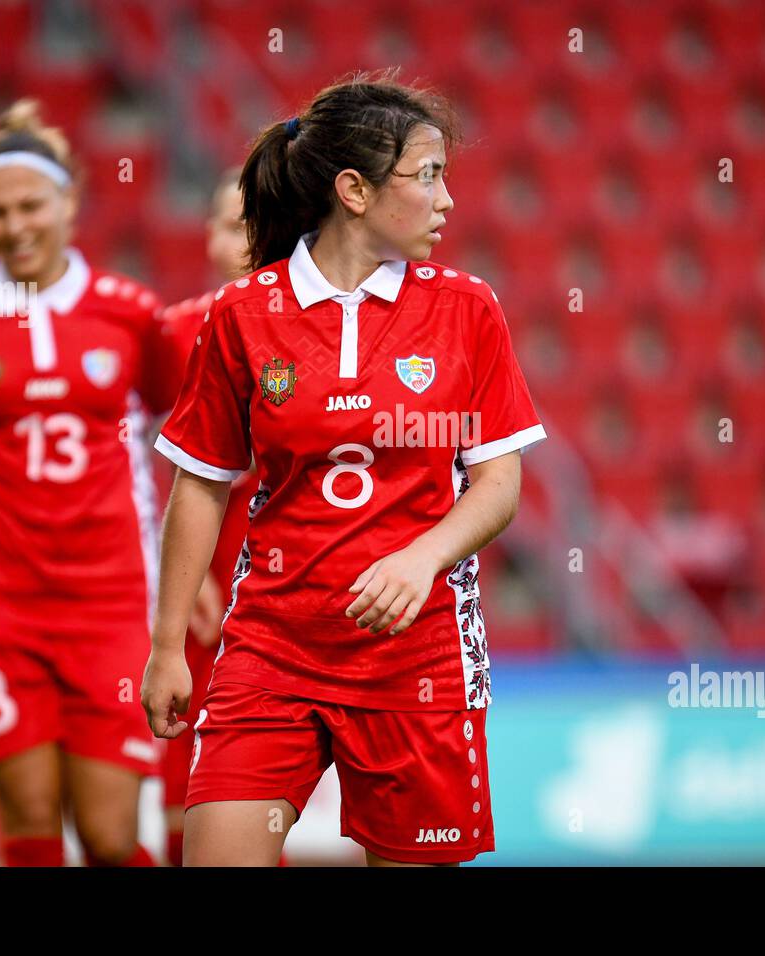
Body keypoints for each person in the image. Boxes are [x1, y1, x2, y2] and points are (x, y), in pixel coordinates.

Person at [141, 71, 546, 867]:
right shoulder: (241, 313)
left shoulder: (468, 308)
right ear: (354, 190)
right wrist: (164, 644)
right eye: (428, 176)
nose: (447, 200)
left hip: (418, 658)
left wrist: (423, 555)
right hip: (272, 647)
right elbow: (200, 485)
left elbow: (499, 485)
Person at [0, 99, 185, 867]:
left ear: (69, 203)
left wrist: (193, 574)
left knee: (111, 835)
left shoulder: (131, 316)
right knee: (27, 817)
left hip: (113, 598)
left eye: (31, 205)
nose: (15, 226)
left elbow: (191, 448)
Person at [155, 167, 257, 866]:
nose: (243, 240)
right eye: (228, 224)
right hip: (194, 565)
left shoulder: (333, 329)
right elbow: (134, 458)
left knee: (262, 779)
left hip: (291, 570)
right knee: (185, 776)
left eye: (255, 222)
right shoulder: (173, 335)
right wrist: (185, 578)